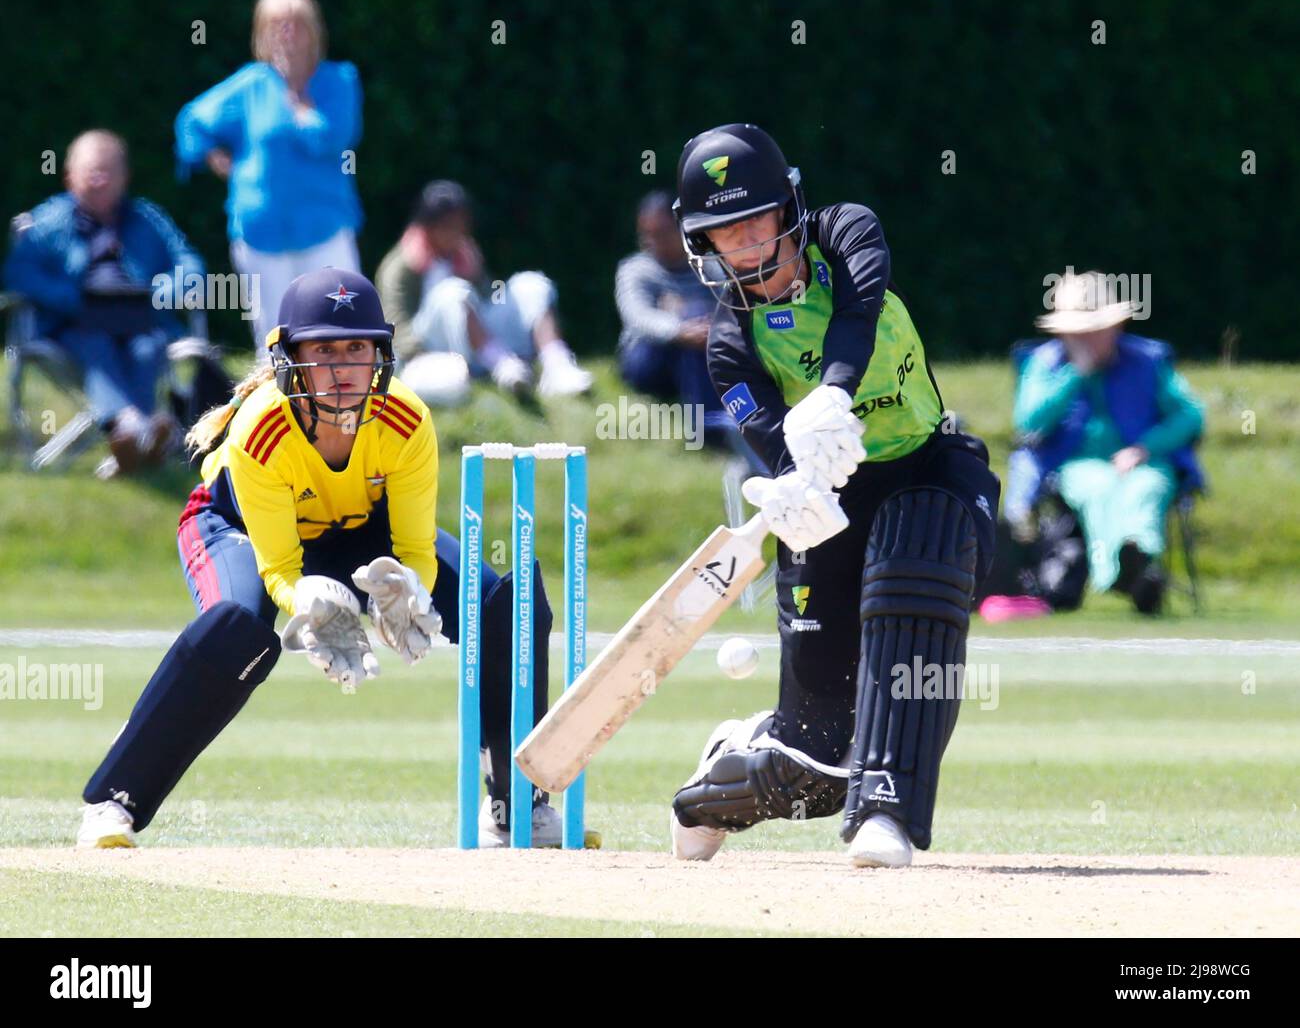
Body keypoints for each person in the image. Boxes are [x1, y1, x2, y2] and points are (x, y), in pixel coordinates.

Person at [77, 268, 561, 850]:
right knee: (236, 631)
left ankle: (517, 801)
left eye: (356, 348)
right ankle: (115, 801)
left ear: (380, 355)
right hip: (235, 528)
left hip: (361, 528)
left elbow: (412, 547)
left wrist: (410, 588)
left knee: (503, 605)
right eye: (323, 349)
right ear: (289, 358)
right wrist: (305, 596)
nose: (340, 367)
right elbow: (280, 566)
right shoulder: (262, 428)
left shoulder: (406, 419)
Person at [666, 123, 1001, 868]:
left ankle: (887, 812)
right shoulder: (730, 345)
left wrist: (833, 393)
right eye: (726, 235)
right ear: (705, 249)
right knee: (812, 769)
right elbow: (775, 440)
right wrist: (796, 479)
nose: (749, 247)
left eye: (757, 222)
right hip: (834, 505)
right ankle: (722, 769)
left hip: (928, 464)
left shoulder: (845, 230)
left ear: (788, 209)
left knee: (924, 556)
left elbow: (861, 309)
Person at [174, 0, 363, 355]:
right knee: (276, 337)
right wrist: (211, 153)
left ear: (314, 31)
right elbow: (191, 121)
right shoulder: (251, 85)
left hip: (324, 229)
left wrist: (298, 107)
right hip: (261, 231)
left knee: (343, 328)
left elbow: (335, 136)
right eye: (276, 25)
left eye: (296, 25)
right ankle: (279, 409)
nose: (287, 34)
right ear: (261, 32)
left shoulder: (338, 81)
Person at [3, 130, 202, 475]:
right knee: (96, 346)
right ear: (69, 176)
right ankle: (137, 429)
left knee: (148, 347)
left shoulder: (148, 219)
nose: (99, 179)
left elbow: (189, 264)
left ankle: (130, 436)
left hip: (140, 319)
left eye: (107, 171)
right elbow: (19, 272)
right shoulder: (47, 223)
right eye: (90, 171)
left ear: (125, 177)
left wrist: (162, 292)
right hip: (75, 323)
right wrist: (68, 296)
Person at [1007, 269, 1205, 615]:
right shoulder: (1046, 363)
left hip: (1144, 461)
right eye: (1077, 331)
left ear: (1116, 326)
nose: (1086, 338)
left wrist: (1145, 448)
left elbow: (1190, 415)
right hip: (1075, 465)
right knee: (1098, 488)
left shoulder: (1148, 361)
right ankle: (1123, 575)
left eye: (1094, 330)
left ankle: (1139, 563)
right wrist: (1074, 375)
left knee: (1145, 488)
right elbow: (1029, 421)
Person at [374, 180, 592, 404]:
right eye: (449, 225)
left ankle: (557, 365)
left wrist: (477, 275)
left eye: (462, 224)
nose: (458, 232)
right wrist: (421, 357)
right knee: (453, 292)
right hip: (431, 349)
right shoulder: (400, 264)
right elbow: (395, 320)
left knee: (531, 283)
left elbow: (488, 300)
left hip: (476, 342)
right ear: (429, 225)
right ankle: (502, 366)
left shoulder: (466, 254)